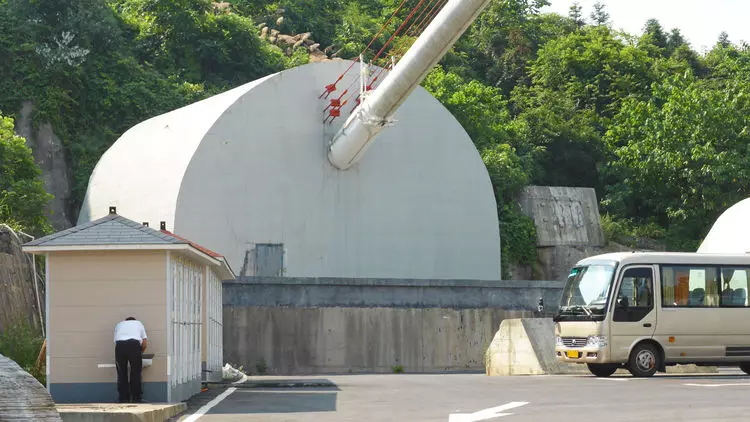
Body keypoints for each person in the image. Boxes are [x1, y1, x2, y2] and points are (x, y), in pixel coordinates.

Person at [114, 317, 148, 403]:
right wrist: (140, 352)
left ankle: (123, 398)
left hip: (120, 345)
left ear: (125, 321)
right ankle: (136, 398)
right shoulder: (139, 323)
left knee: (121, 373)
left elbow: (115, 341)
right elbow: (144, 343)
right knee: (136, 372)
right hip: (134, 345)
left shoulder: (119, 324)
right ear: (134, 320)